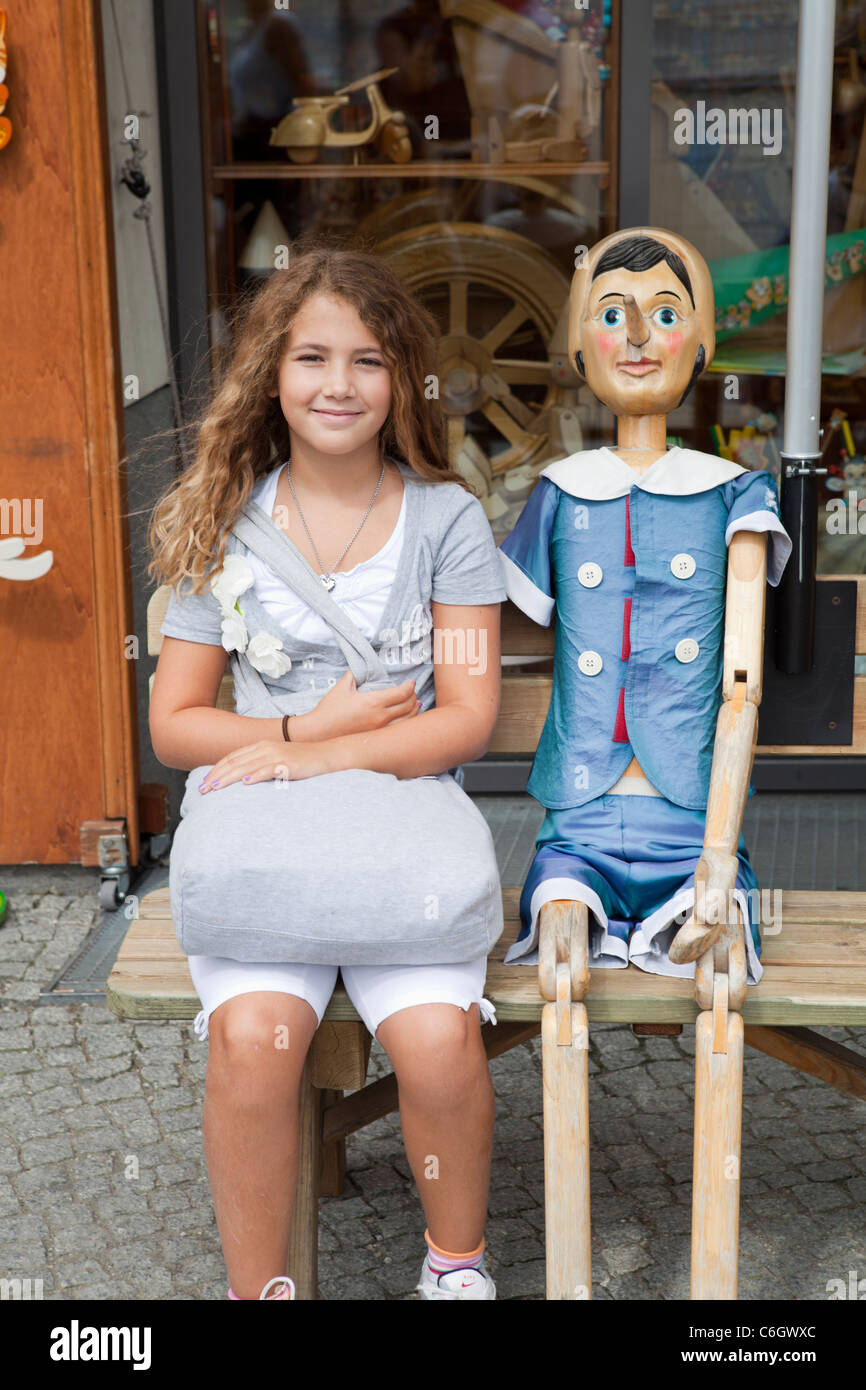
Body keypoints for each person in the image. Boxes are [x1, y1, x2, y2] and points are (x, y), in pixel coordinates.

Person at [147, 243, 507, 1301]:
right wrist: (306, 732)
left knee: (438, 1046)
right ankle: (260, 1287)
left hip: (401, 846)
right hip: (263, 848)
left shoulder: (445, 522)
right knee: (255, 1041)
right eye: (311, 357)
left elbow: (470, 715)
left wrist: (325, 744)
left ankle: (453, 1266)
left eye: (365, 359)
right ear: (273, 374)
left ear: (400, 377)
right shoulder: (225, 519)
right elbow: (175, 724)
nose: (337, 384)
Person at [497, 229, 792, 981]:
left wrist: (720, 854)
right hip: (576, 826)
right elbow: (496, 626)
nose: (635, 338)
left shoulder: (736, 495)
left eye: (664, 315)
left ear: (700, 345)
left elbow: (741, 682)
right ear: (577, 346)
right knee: (558, 968)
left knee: (721, 980)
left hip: (697, 825)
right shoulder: (561, 491)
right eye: (611, 314)